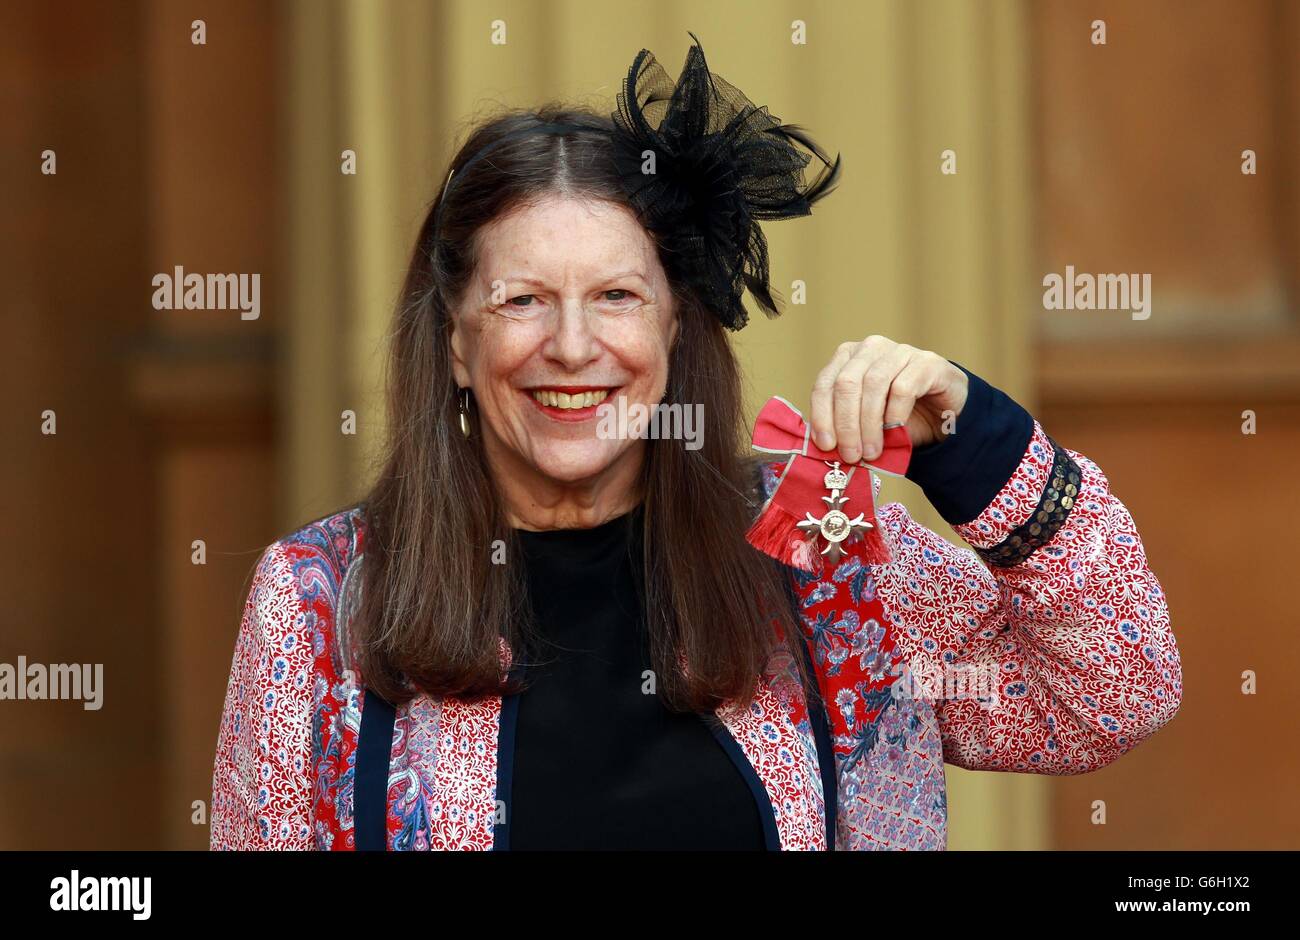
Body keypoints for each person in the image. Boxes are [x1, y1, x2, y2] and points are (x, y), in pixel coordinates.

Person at [210, 34, 1181, 851]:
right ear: (456, 340)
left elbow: (1109, 694)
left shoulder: (818, 550)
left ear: (673, 330)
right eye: (522, 301)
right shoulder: (320, 603)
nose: (574, 345)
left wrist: (974, 439)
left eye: (616, 296)